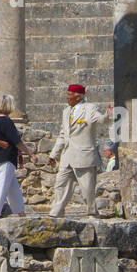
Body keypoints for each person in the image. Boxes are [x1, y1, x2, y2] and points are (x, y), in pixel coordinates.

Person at [48, 84, 109, 218]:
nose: (67, 97)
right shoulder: (66, 112)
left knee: (87, 189)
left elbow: (100, 119)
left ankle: (92, 212)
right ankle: (56, 212)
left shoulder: (89, 109)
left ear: (77, 97)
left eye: (69, 94)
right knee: (60, 184)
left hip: (84, 155)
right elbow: (64, 134)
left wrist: (107, 116)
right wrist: (54, 154)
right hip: (67, 156)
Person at [0, 93, 32, 218]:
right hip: (5, 158)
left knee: (13, 188)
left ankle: (20, 212)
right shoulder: (6, 121)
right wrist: (30, 153)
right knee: (2, 186)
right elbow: (17, 141)